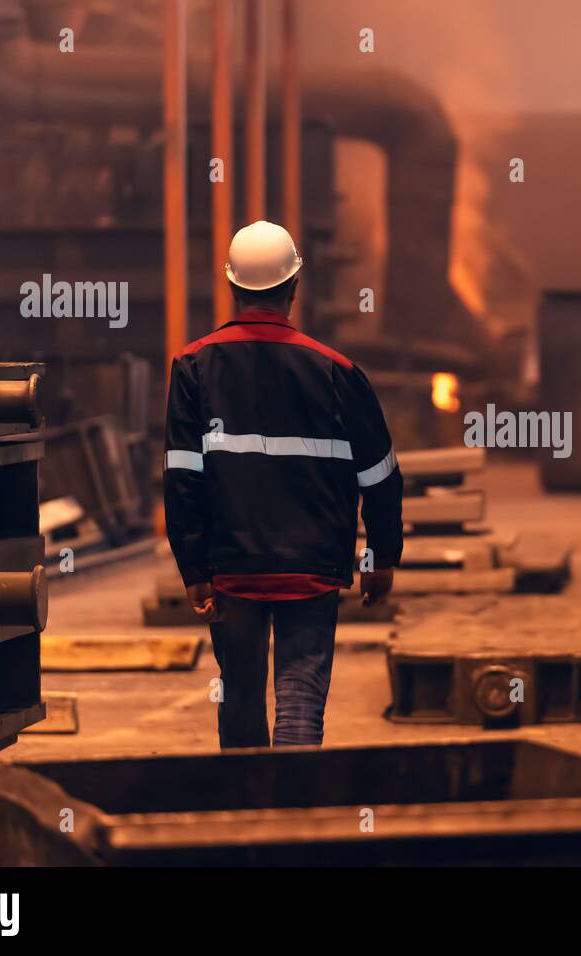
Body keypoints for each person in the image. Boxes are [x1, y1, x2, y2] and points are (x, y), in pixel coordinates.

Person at [163, 220, 402, 748]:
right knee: (300, 705)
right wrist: (381, 558)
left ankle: (245, 799)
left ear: (233, 286)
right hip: (311, 566)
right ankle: (294, 795)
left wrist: (193, 568)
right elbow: (380, 474)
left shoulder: (192, 366)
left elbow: (182, 476)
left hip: (232, 567)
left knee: (239, 700)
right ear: (294, 287)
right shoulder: (338, 371)